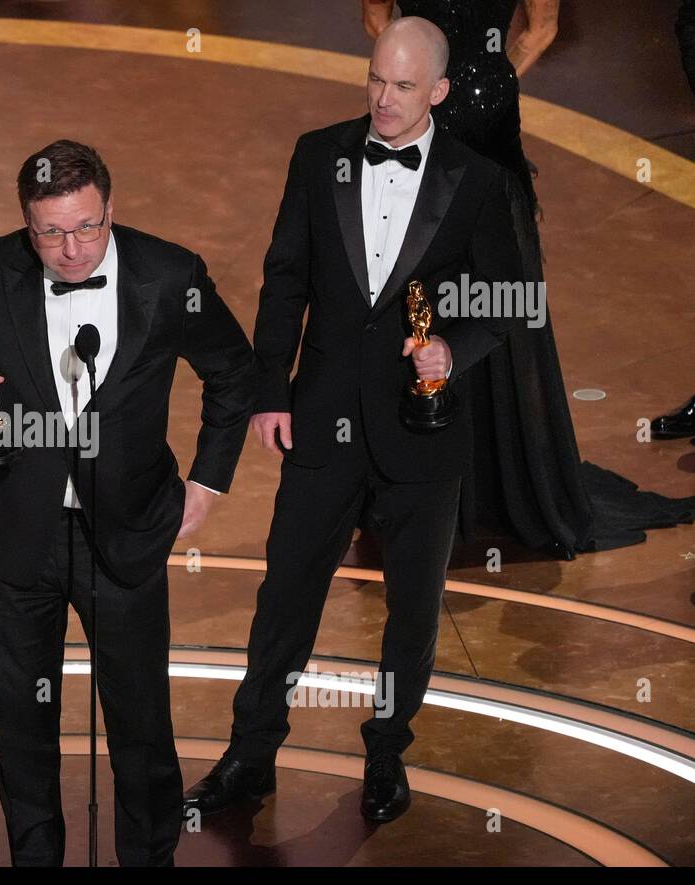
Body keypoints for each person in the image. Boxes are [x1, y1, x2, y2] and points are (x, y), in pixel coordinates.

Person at [183, 18, 523, 823]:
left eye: (403, 87)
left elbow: (507, 300)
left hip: (422, 431)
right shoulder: (318, 154)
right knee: (285, 599)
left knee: (411, 611)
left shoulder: (478, 180)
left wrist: (451, 345)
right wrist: (271, 388)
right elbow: (284, 279)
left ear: (438, 91)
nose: (383, 99)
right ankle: (249, 754)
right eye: (375, 79)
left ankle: (385, 751)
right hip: (320, 418)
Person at [0, 140, 258, 865]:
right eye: (51, 233)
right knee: (22, 726)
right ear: (26, 224)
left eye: (87, 227)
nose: (71, 250)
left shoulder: (169, 274)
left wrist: (207, 481)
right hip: (15, 535)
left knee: (140, 724)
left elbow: (233, 371)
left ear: (110, 208)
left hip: (128, 530)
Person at [365, 0, 694, 554]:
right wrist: (413, 85)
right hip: (419, 125)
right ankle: (418, 472)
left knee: (494, 296)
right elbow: (377, 17)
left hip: (488, 126)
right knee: (416, 287)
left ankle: (500, 481)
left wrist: (488, 80)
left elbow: (544, 27)